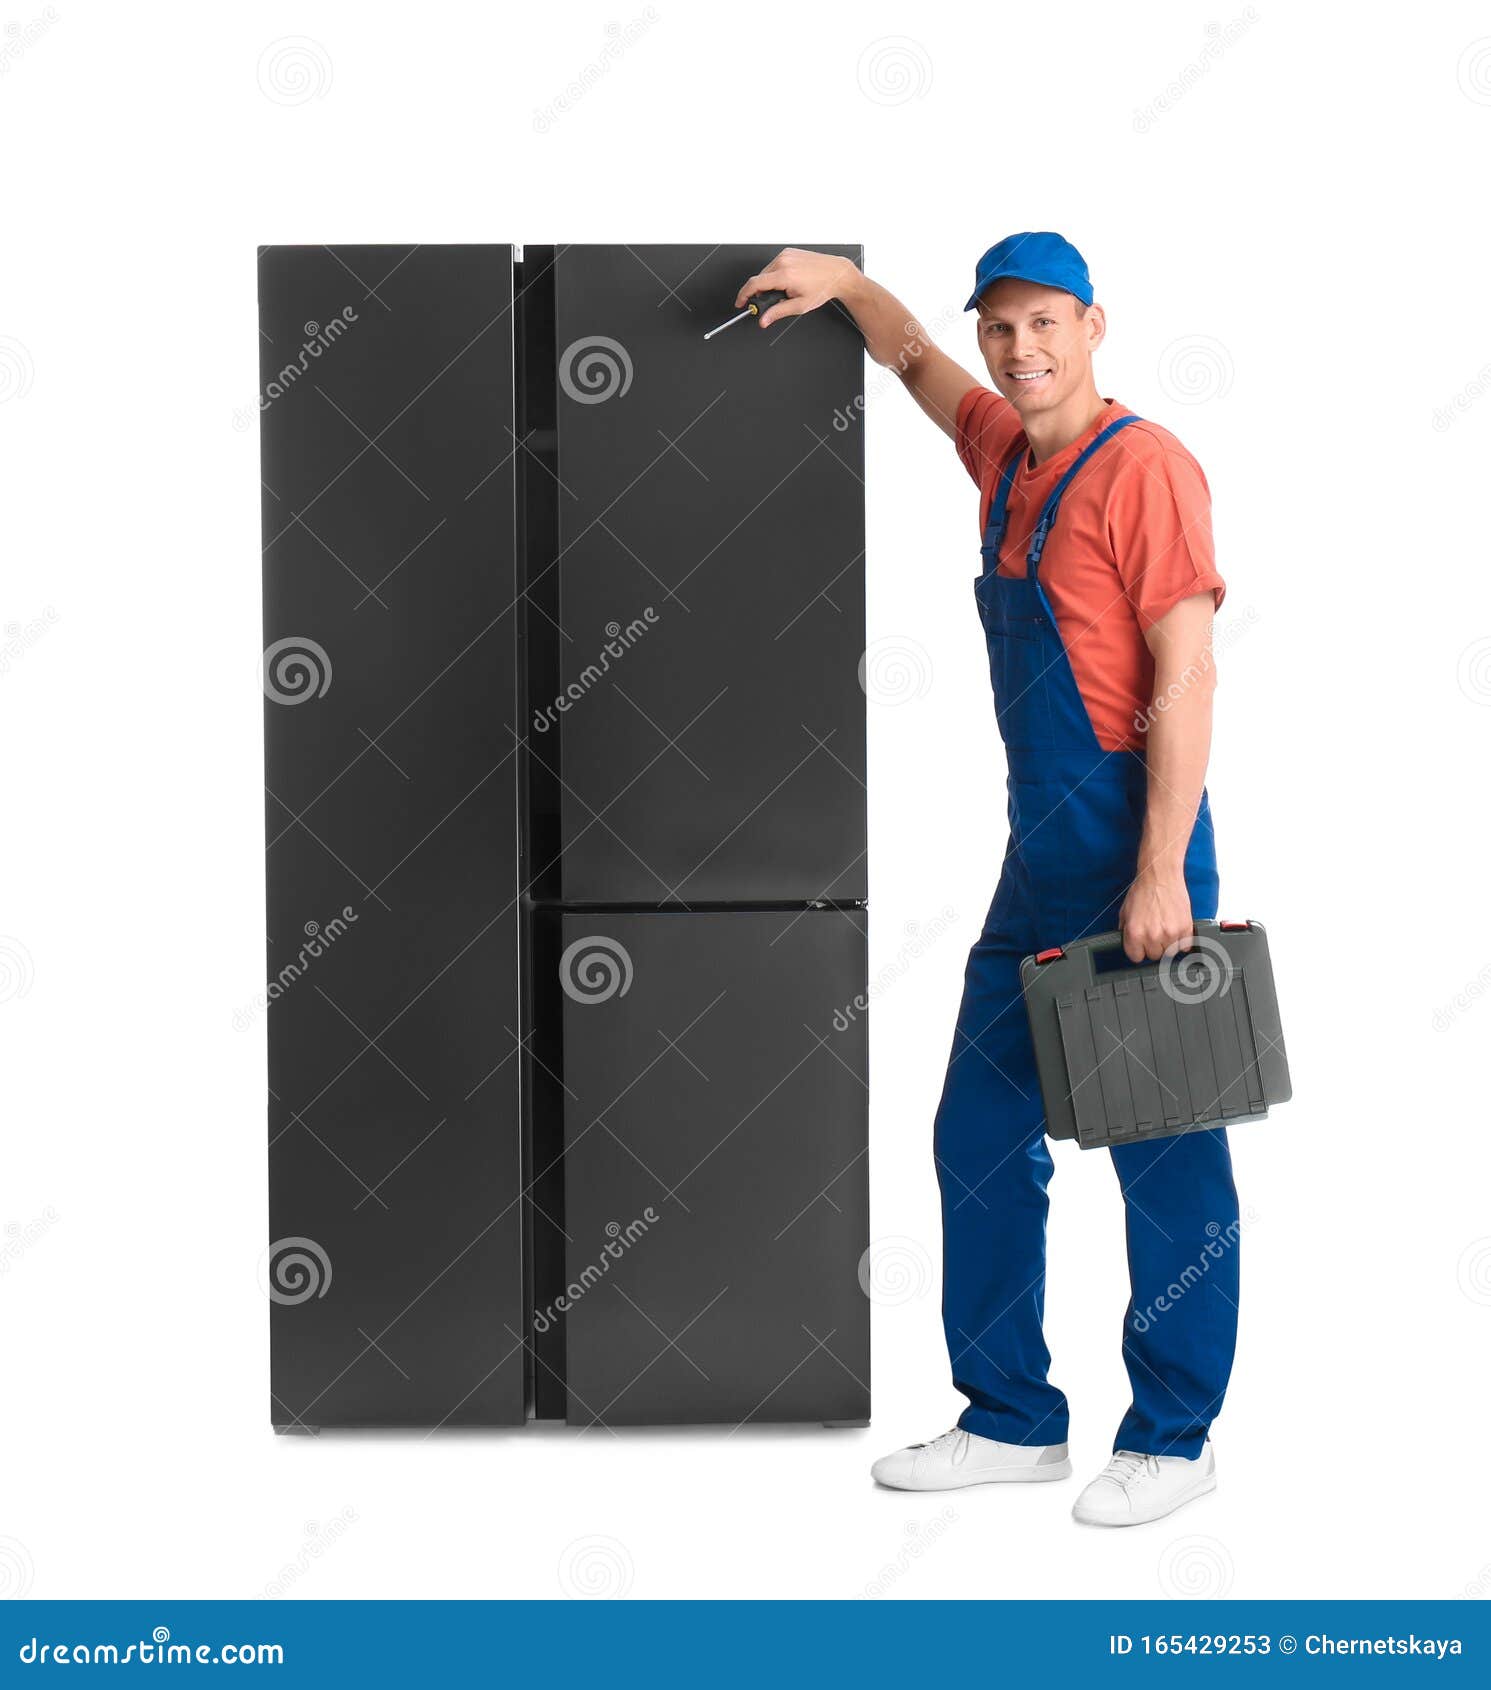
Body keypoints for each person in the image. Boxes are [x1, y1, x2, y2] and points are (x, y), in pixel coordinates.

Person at [734, 235, 1238, 1527]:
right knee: (978, 1134)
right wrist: (848, 290)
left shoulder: (1148, 469)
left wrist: (1163, 868)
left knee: (1162, 1158)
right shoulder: (1005, 451)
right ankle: (1012, 1416)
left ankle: (1175, 1437)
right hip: (1038, 861)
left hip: (1137, 849)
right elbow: (912, 362)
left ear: (1096, 325)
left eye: (1045, 324)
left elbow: (1187, 674)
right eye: (1002, 327)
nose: (1021, 350)